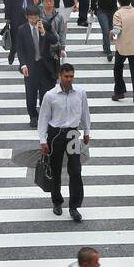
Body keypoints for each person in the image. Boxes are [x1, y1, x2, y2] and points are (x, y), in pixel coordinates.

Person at [39, 63, 91, 220]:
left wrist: (87, 131)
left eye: (71, 76)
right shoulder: (50, 95)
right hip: (55, 135)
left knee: (75, 171)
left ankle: (74, 206)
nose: (69, 80)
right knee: (55, 171)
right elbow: (43, 119)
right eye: (66, 76)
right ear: (59, 76)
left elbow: (85, 113)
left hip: (73, 134)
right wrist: (43, 140)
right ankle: (57, 201)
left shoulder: (80, 93)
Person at [17, 5, 59, 126]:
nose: (34, 20)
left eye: (35, 17)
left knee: (45, 93)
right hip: (30, 66)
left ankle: (44, 115)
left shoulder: (45, 25)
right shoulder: (22, 30)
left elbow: (54, 40)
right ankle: (33, 116)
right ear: (27, 17)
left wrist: (43, 33)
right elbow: (20, 49)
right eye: (31, 18)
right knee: (31, 93)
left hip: (45, 65)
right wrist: (23, 65)